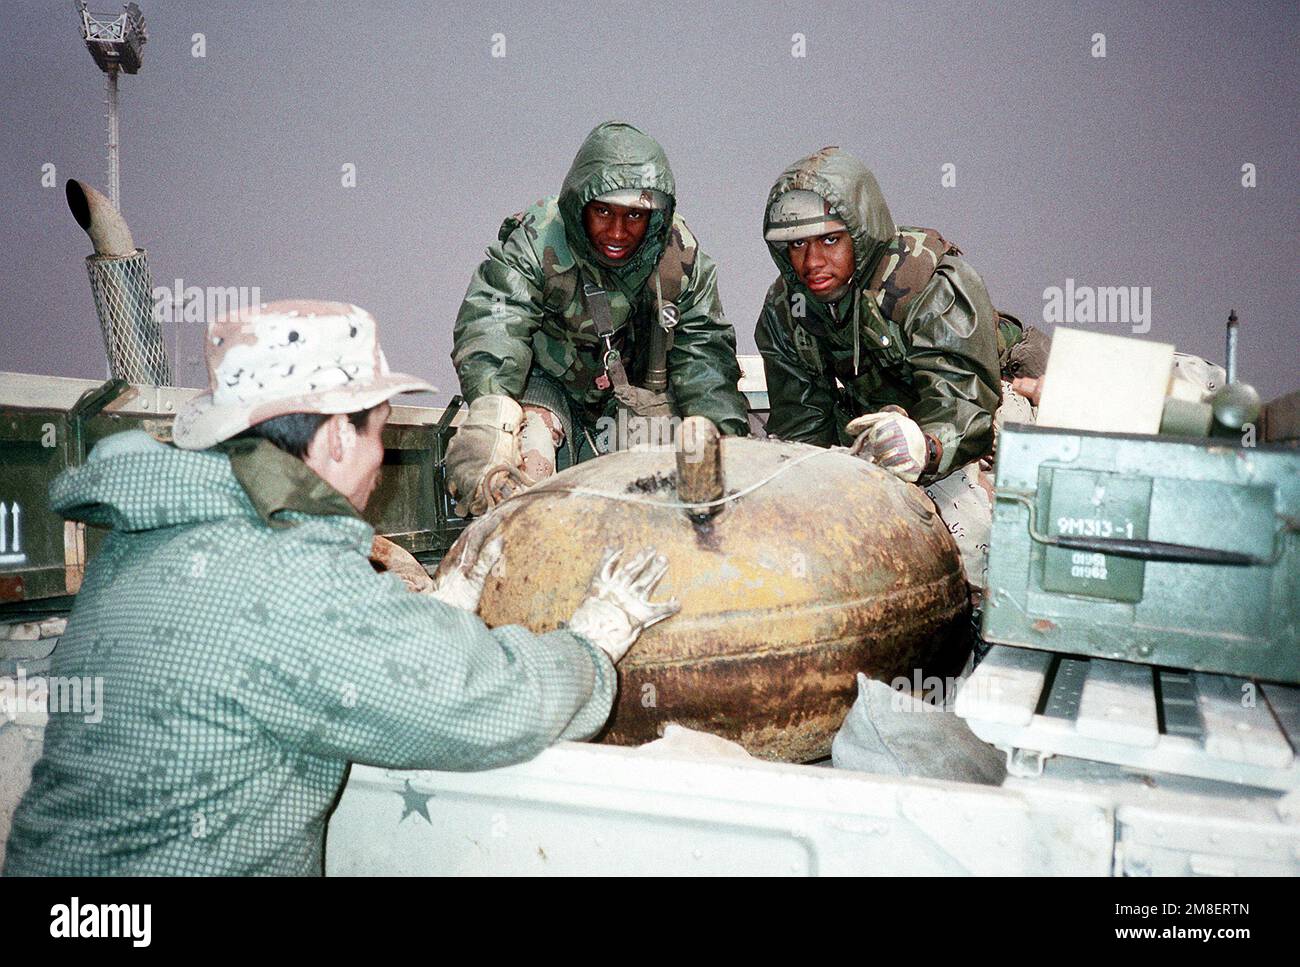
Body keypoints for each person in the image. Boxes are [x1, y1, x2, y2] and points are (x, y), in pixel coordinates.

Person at [4, 299, 675, 876]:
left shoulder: (143, 536)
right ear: (332, 439)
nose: (382, 460)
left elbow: (292, 663)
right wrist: (589, 644)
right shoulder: (290, 569)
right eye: (377, 431)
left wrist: (440, 610)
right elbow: (488, 704)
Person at [755, 146, 1046, 590]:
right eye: (797, 244)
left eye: (830, 240)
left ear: (860, 232)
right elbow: (802, 429)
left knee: (973, 550)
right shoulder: (787, 310)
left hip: (984, 416)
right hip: (884, 432)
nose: (812, 262)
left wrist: (927, 448)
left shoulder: (926, 281)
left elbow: (966, 401)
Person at [447, 120, 750, 517]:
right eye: (603, 211)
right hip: (547, 390)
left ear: (655, 217)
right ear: (580, 205)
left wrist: (728, 453)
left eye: (635, 216)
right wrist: (493, 413)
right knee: (523, 472)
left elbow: (705, 361)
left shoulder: (681, 259)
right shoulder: (537, 240)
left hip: (640, 398)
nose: (618, 231)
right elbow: (495, 319)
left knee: (687, 481)